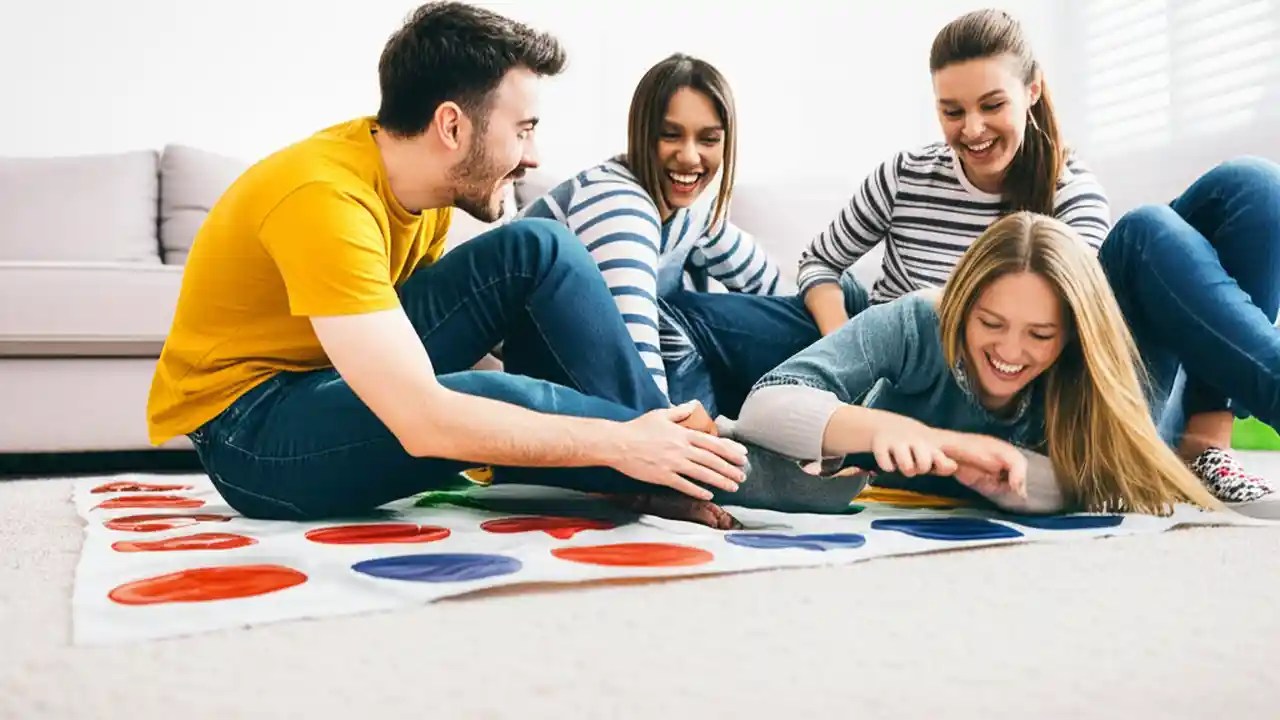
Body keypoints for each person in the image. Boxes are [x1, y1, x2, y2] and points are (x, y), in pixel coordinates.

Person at [144, 1, 753, 521]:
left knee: (537, 247)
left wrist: (601, 420)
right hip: (253, 434)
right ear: (452, 126)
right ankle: (680, 461)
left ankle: (671, 455)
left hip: (329, 372)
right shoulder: (323, 199)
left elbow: (407, 342)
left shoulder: (421, 187)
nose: (534, 156)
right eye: (523, 129)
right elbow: (423, 420)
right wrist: (611, 439)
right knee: (483, 396)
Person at [658, 7, 1111, 418]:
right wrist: (847, 347)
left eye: (992, 106)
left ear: (1031, 90)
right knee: (676, 317)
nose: (972, 129)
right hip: (870, 356)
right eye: (952, 111)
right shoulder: (907, 174)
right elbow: (820, 263)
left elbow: (1065, 330)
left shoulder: (1071, 197)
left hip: (970, 387)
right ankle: (700, 451)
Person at [725, 211, 1228, 517]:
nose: (1010, 352)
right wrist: (903, 432)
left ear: (1071, 334)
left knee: (1249, 190)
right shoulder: (919, 322)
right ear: (962, 304)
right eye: (990, 323)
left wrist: (1012, 482)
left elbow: (1102, 484)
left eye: (1040, 335)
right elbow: (765, 405)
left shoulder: (1082, 368)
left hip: (1165, 423)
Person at [518, 53, 788, 410]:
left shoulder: (691, 215)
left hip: (646, 385)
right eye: (670, 135)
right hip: (565, 378)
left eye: (708, 140)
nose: (690, 156)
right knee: (676, 313)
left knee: (833, 295)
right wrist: (670, 437)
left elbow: (778, 294)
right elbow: (632, 350)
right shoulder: (616, 201)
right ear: (642, 134)